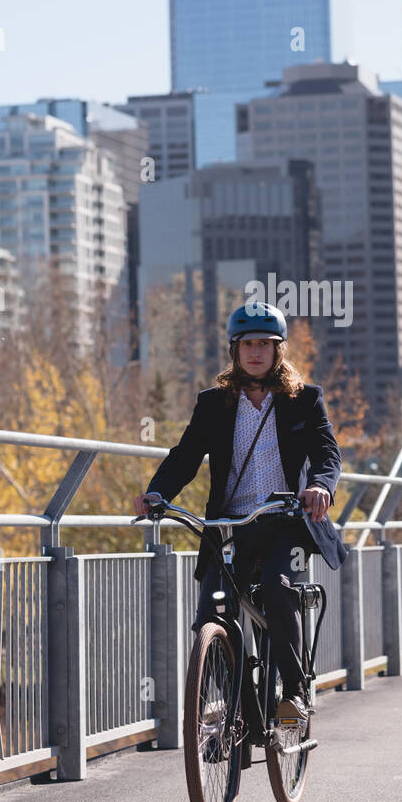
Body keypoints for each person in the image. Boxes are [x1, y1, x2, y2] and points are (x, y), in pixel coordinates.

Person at [134, 301, 347, 725]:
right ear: (235, 350)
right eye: (247, 343)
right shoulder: (214, 403)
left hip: (285, 522)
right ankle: (233, 712)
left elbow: (327, 453)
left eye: (265, 344)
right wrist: (156, 492)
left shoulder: (304, 400)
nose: (255, 352)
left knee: (277, 587)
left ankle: (293, 693)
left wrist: (320, 486)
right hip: (229, 527)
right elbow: (186, 456)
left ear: (278, 350)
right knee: (210, 614)